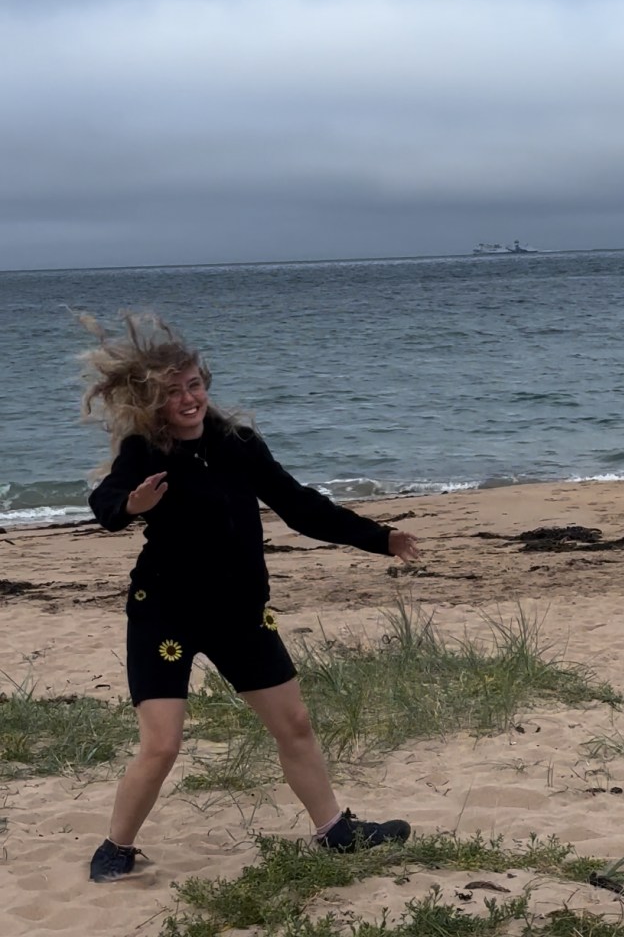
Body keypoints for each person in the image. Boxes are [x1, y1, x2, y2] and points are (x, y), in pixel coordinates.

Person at [78, 312, 419, 883]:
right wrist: (130, 507)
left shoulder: (237, 443)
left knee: (296, 724)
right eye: (173, 390)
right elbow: (107, 499)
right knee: (162, 745)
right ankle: (115, 847)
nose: (188, 398)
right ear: (152, 397)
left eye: (194, 385)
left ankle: (334, 831)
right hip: (166, 613)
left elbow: (300, 505)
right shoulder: (145, 450)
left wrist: (379, 538)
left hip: (239, 613)